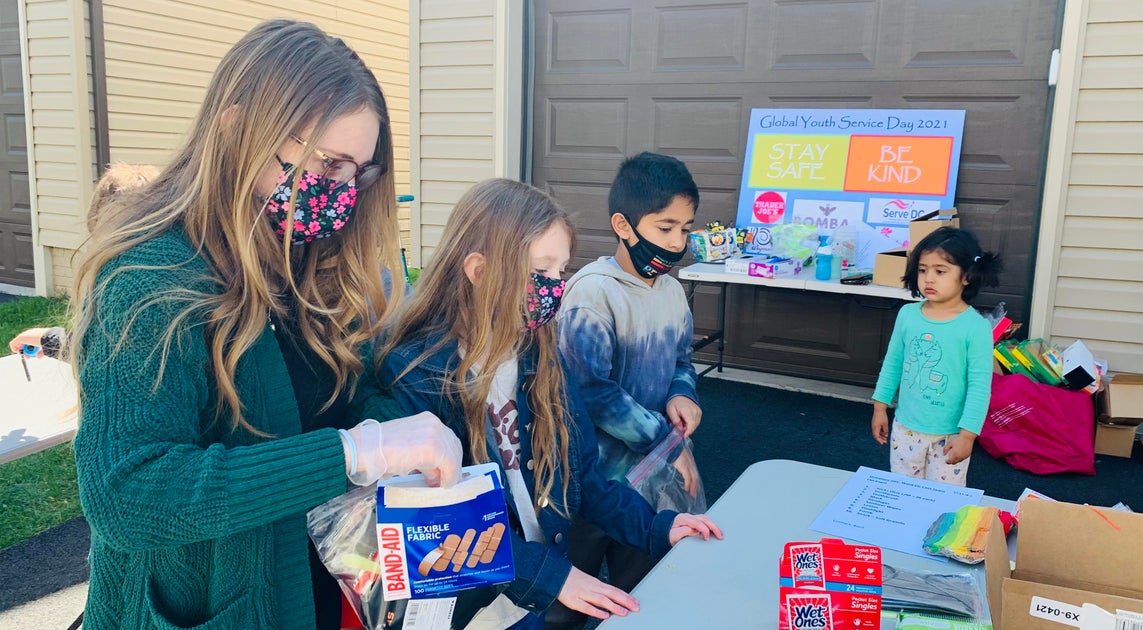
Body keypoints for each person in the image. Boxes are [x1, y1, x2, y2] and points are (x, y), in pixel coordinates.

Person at [68, 20, 463, 629]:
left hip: (316, 588)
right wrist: (357, 452)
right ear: (236, 129)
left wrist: (392, 429)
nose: (342, 192)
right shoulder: (148, 281)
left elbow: (335, 400)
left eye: (356, 172)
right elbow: (128, 495)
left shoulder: (298, 262)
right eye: (326, 164)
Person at [379, 178, 722, 629]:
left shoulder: (540, 356)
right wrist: (555, 578)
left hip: (530, 598)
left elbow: (581, 477)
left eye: (560, 273)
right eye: (540, 272)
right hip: (466, 605)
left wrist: (656, 526)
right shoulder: (415, 375)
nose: (554, 289)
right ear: (479, 271)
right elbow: (433, 521)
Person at [549, 151, 702, 627]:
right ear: (623, 224)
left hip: (651, 484)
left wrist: (684, 393)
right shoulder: (593, 294)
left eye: (686, 228)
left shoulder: (672, 291)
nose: (677, 242)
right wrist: (668, 444)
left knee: (642, 591)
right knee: (569, 599)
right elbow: (591, 390)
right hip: (592, 483)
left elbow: (682, 360)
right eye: (665, 227)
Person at [870, 227, 1002, 487]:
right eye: (922, 269)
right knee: (903, 493)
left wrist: (968, 435)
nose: (929, 278)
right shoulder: (908, 315)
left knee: (943, 502)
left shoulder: (975, 327)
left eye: (940, 271)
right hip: (906, 428)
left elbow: (979, 387)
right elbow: (893, 363)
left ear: (966, 276)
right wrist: (879, 407)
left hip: (951, 434)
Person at [7, 163, 160, 358]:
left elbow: (101, 355)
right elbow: (102, 343)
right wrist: (47, 339)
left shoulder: (128, 284)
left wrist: (47, 338)